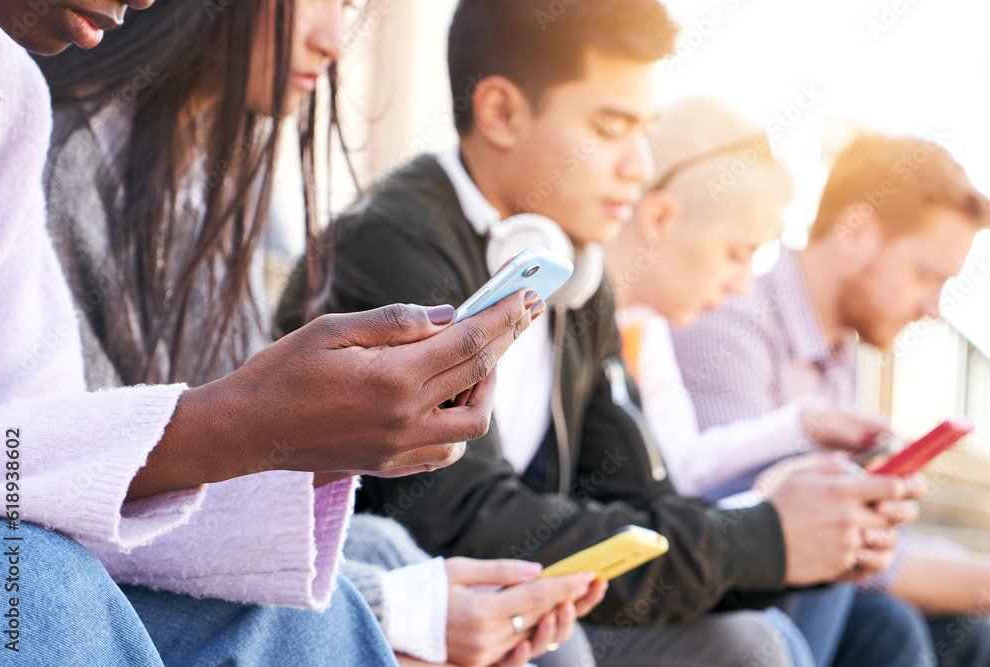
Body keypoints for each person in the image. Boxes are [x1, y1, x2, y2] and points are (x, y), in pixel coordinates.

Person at [280, 2, 924, 665]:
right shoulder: (396, 244)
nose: (639, 166)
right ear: (502, 112)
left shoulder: (577, 274)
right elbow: (460, 521)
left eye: (645, 130)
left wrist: (806, 536)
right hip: (366, 590)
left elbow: (640, 504)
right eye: (611, 127)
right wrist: (763, 537)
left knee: (750, 644)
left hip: (512, 599)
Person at [39, 0, 606, 665]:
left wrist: (321, 447)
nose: (335, 39)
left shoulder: (209, 186)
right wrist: (397, 604)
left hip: (147, 564)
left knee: (406, 562)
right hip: (72, 569)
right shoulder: (66, 164)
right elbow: (62, 492)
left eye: (347, 5)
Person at [672, 128, 990, 667]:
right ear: (855, 231)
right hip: (717, 600)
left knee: (962, 634)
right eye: (924, 275)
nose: (933, 307)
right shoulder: (728, 316)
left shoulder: (839, 354)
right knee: (888, 627)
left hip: (796, 598)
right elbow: (755, 525)